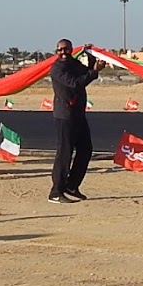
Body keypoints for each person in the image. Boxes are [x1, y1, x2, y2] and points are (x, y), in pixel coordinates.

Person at [48, 39, 105, 203]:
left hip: (78, 114)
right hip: (64, 115)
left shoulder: (73, 63)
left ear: (71, 50)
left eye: (66, 49)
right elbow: (75, 83)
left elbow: (86, 73)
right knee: (64, 153)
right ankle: (56, 191)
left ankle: (72, 185)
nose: (63, 52)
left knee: (86, 149)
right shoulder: (57, 68)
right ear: (56, 51)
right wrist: (94, 72)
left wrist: (92, 56)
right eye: (59, 50)